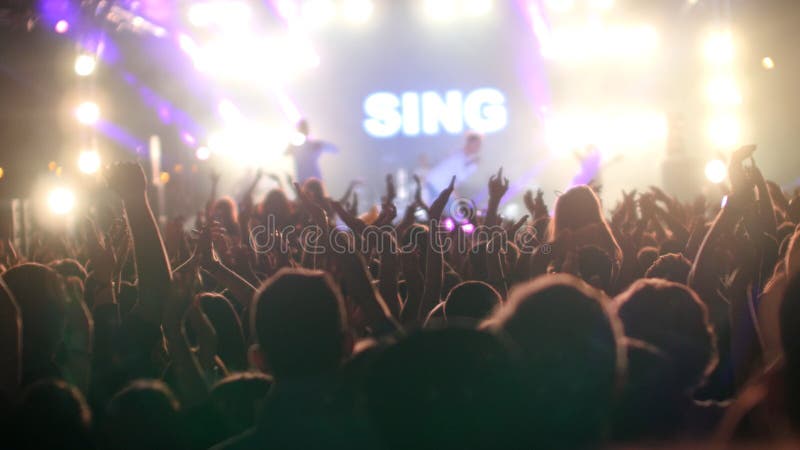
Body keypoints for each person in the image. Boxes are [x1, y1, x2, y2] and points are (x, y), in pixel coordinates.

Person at [422, 131, 482, 200]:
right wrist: (473, 165)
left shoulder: (464, 157)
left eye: (479, 145)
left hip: (438, 188)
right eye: (477, 145)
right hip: (434, 187)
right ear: (470, 143)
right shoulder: (458, 157)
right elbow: (459, 178)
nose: (479, 147)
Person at [284, 119, 338, 183]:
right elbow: (285, 153)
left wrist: (321, 145)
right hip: (303, 180)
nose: (303, 130)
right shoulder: (294, 145)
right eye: (301, 128)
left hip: (315, 179)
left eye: (304, 128)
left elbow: (335, 149)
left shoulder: (314, 144)